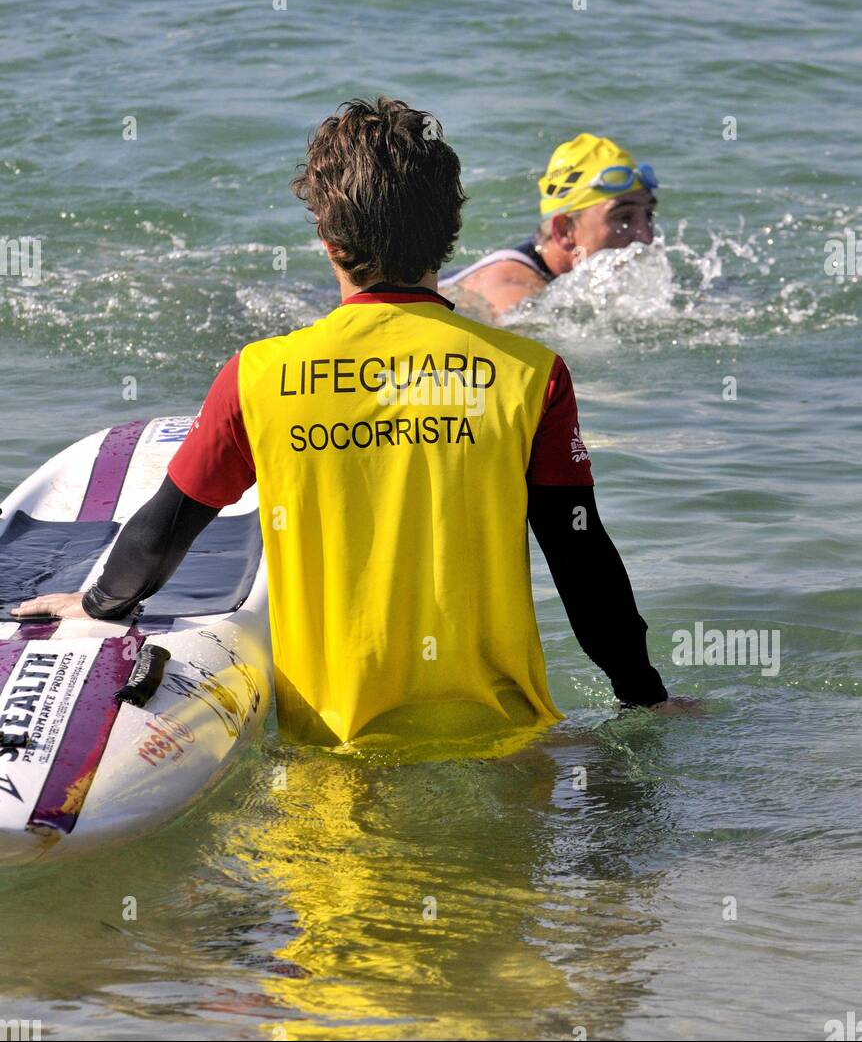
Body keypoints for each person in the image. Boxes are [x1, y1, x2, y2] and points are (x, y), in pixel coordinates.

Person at [12, 98, 690, 746]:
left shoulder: (257, 377)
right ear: (450, 235)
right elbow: (582, 560)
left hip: (333, 754)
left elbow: (166, 529)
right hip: (507, 750)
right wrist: (644, 695)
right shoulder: (531, 375)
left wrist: (99, 602)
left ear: (327, 240)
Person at [442, 132, 658, 319]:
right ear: (564, 230)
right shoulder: (513, 293)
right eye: (624, 218)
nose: (646, 237)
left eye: (648, 215)